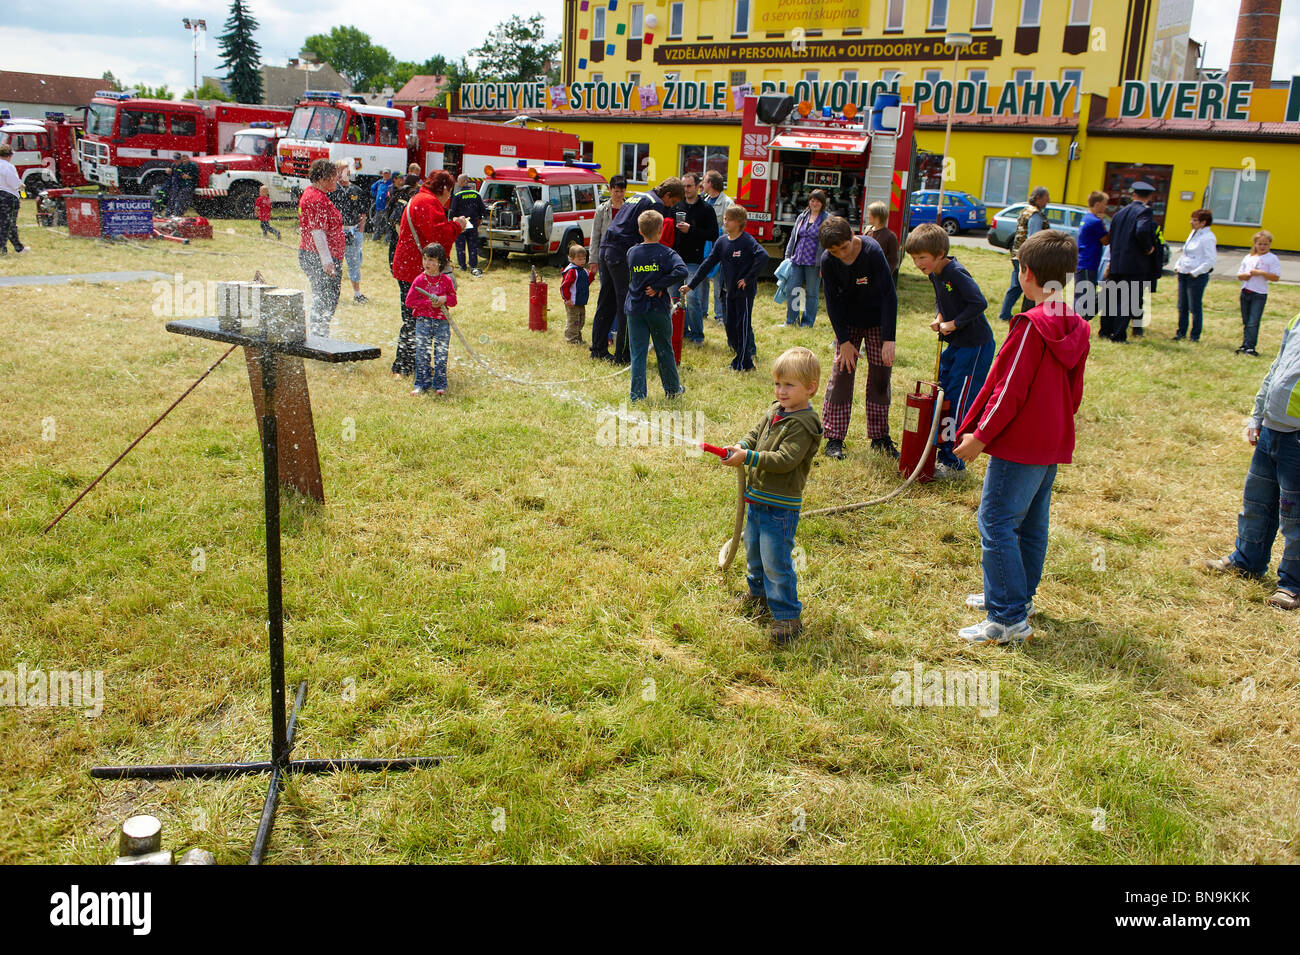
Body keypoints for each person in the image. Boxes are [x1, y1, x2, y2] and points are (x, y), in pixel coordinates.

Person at [954, 229, 1091, 644]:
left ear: (1025, 273)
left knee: (995, 521)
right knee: (1031, 524)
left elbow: (1008, 390)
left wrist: (979, 436)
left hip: (1020, 444)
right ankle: (1018, 596)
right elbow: (1075, 393)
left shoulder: (1031, 327)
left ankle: (1007, 619)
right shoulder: (1076, 324)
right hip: (1051, 442)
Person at [719, 346, 824, 644]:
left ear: (810, 388)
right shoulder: (775, 411)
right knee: (753, 551)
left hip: (780, 507)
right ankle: (758, 594)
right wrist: (740, 446)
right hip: (757, 500)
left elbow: (784, 460)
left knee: (776, 561)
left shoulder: (804, 425)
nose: (781, 390)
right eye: (778, 384)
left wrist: (748, 457)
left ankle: (787, 617)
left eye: (789, 385)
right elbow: (755, 435)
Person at [1203, 311, 1300, 610]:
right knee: (1256, 503)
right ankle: (1247, 560)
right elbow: (1275, 369)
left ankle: (1293, 584)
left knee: (1295, 517)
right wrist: (1258, 415)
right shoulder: (1296, 320)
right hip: (1272, 428)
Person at [904, 222, 995, 478]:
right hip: (956, 344)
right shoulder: (935, 274)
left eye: (922, 257)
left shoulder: (955, 272)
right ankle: (938, 451)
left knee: (958, 401)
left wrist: (953, 323)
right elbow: (942, 300)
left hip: (975, 347)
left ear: (940, 253)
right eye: (914, 258)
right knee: (942, 394)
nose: (918, 263)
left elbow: (979, 302)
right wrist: (940, 316)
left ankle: (954, 464)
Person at [814, 215, 899, 460]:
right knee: (842, 373)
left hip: (876, 321)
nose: (842, 254)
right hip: (848, 323)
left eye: (844, 247)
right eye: (834, 251)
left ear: (853, 236)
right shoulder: (829, 261)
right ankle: (834, 438)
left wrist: (888, 338)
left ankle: (880, 437)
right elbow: (832, 302)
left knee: (881, 375)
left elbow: (888, 296)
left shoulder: (872, 251)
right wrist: (844, 342)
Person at [597, 177, 686, 365]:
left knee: (606, 301)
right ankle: (622, 356)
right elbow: (649, 236)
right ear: (667, 194)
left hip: (607, 248)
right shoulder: (655, 204)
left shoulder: (638, 196)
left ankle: (598, 349)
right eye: (673, 201)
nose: (671, 206)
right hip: (623, 252)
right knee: (628, 304)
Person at [390, 170, 470, 377]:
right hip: (413, 269)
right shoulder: (428, 202)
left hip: (408, 266)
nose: (449, 197)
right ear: (443, 188)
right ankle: (406, 364)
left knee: (414, 318)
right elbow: (437, 237)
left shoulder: (420, 198)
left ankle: (407, 362)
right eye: (450, 191)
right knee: (416, 318)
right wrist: (457, 226)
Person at [683, 205, 768, 371]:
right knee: (730, 327)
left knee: (742, 326)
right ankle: (739, 357)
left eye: (729, 219)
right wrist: (691, 285)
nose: (725, 222)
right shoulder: (722, 242)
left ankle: (745, 362)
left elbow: (762, 256)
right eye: (725, 219)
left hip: (744, 293)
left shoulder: (746, 240)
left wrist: (748, 278)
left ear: (739, 222)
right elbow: (708, 264)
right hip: (727, 291)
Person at [624, 209, 687, 401]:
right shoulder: (667, 253)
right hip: (657, 309)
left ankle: (637, 395)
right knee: (664, 349)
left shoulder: (632, 252)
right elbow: (682, 270)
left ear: (640, 230)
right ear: (660, 230)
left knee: (638, 354)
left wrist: (655, 284)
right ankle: (673, 390)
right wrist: (659, 285)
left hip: (635, 308)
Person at [1102, 181, 1161, 342]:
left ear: (1133, 195)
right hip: (1134, 265)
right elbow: (1142, 230)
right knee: (1129, 300)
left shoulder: (1119, 214)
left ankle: (1105, 331)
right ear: (1148, 197)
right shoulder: (1144, 212)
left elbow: (1111, 236)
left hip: (1116, 262)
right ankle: (1119, 335)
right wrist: (1148, 248)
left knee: (1111, 298)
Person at [297, 158, 345, 336]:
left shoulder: (316, 195)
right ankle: (318, 335)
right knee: (325, 298)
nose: (336, 181)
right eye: (334, 177)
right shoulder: (316, 199)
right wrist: (327, 261)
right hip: (318, 256)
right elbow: (318, 231)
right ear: (323, 178)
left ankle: (320, 331)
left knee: (326, 297)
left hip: (317, 255)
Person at [404, 242, 458, 396]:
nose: (427, 263)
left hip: (442, 322)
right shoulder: (419, 281)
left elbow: (454, 301)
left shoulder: (446, 281)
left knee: (441, 354)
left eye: (432, 260)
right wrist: (429, 303)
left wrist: (443, 299)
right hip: (423, 322)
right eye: (425, 259)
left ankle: (440, 384)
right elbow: (409, 302)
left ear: (440, 263)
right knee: (422, 353)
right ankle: (421, 383)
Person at [673, 172, 720, 344]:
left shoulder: (706, 209)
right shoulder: (677, 206)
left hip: (694, 260)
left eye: (689, 186)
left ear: (698, 186)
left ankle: (697, 335)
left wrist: (691, 230)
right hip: (675, 260)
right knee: (675, 298)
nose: (685, 190)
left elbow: (714, 233)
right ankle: (681, 331)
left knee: (692, 298)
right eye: (683, 186)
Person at [589, 175, 627, 360]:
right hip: (605, 257)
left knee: (617, 299)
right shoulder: (602, 209)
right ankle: (603, 340)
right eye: (616, 190)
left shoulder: (628, 208)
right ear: (610, 190)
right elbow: (595, 235)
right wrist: (593, 259)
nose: (619, 194)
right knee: (606, 297)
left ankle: (615, 334)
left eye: (621, 191)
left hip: (621, 259)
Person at [998, 186, 1049, 322]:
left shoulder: (1025, 211)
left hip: (1017, 254)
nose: (1048, 200)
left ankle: (1004, 314)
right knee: (1031, 286)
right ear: (1038, 198)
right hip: (1028, 256)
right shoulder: (1036, 215)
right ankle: (1027, 315)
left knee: (1015, 286)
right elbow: (1034, 237)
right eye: (1046, 197)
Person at [782, 189, 829, 327]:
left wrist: (824, 264)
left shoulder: (826, 219)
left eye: (818, 201)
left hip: (814, 263)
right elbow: (792, 238)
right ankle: (792, 321)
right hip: (797, 260)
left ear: (822, 203)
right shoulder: (802, 216)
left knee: (811, 294)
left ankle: (807, 323)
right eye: (812, 200)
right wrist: (787, 258)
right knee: (792, 290)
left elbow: (828, 243)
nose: (814, 203)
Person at [1235, 229, 1281, 357]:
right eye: (1260, 244)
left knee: (1253, 321)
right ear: (1255, 244)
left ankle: (1250, 347)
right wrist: (1245, 276)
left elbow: (1276, 277)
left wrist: (1261, 273)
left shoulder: (1271, 259)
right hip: (1246, 291)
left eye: (1265, 244)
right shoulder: (1249, 257)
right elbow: (1240, 274)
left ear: (1269, 245)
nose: (1262, 247)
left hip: (1259, 293)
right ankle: (1245, 344)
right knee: (1246, 320)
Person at [331, 164, 369, 304]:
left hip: (353, 231)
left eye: (344, 172)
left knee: (355, 262)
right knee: (335, 262)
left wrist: (360, 231)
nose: (341, 175)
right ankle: (333, 293)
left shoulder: (356, 190)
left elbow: (363, 213)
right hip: (337, 232)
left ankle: (357, 293)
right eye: (339, 172)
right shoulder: (332, 190)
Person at [703, 170, 733, 323]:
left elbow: (730, 228)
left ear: (712, 184)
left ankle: (720, 315)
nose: (702, 183)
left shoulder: (727, 203)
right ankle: (702, 312)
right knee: (702, 281)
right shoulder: (704, 200)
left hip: (719, 249)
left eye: (705, 180)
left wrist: (715, 232)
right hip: (703, 248)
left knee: (718, 283)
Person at [1074, 191, 1109, 321]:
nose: (1105, 208)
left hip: (1082, 261)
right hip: (1088, 263)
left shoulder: (1086, 217)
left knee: (1081, 295)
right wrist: (1103, 222)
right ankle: (1078, 322)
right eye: (1104, 204)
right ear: (1098, 204)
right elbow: (1105, 240)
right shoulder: (1095, 222)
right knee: (1086, 296)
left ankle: (1077, 320)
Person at [448, 174, 487, 275]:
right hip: (473, 224)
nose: (458, 183)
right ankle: (473, 265)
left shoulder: (457, 195)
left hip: (461, 225)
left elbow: (452, 211)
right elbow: (483, 209)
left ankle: (462, 266)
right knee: (473, 246)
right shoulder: (476, 194)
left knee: (460, 246)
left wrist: (451, 222)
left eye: (459, 181)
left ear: (463, 182)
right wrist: (480, 218)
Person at [559, 243, 596, 345]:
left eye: (584, 259)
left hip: (581, 301)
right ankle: (571, 340)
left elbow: (586, 282)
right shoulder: (571, 271)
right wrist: (567, 299)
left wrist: (592, 275)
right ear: (571, 259)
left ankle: (578, 338)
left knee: (581, 320)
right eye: (579, 259)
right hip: (572, 302)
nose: (582, 261)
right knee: (573, 321)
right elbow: (564, 286)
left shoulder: (583, 271)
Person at [0, 144, 26, 255]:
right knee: (9, 224)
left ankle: (17, 247)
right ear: (9, 155)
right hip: (8, 197)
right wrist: (21, 185)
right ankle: (4, 247)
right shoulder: (8, 166)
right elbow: (14, 183)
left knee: (3, 223)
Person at [863, 200, 899, 276]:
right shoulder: (867, 230)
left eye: (869, 213)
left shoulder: (890, 236)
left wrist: (883, 276)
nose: (867, 216)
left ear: (877, 216)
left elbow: (893, 261)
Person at [167, 152, 200, 217]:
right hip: (182, 185)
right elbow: (179, 173)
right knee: (176, 199)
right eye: (183, 160)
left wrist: (188, 177)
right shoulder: (182, 166)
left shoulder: (193, 165)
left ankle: (177, 214)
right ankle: (173, 213)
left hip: (189, 185)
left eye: (185, 159)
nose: (184, 161)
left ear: (188, 159)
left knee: (182, 199)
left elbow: (195, 176)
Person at [369, 169, 393, 243]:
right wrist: (375, 194)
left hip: (386, 206)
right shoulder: (380, 182)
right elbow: (373, 188)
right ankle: (376, 237)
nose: (386, 175)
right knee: (377, 223)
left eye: (387, 173)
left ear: (390, 174)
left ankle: (388, 239)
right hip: (379, 206)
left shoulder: (391, 183)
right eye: (384, 173)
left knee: (388, 223)